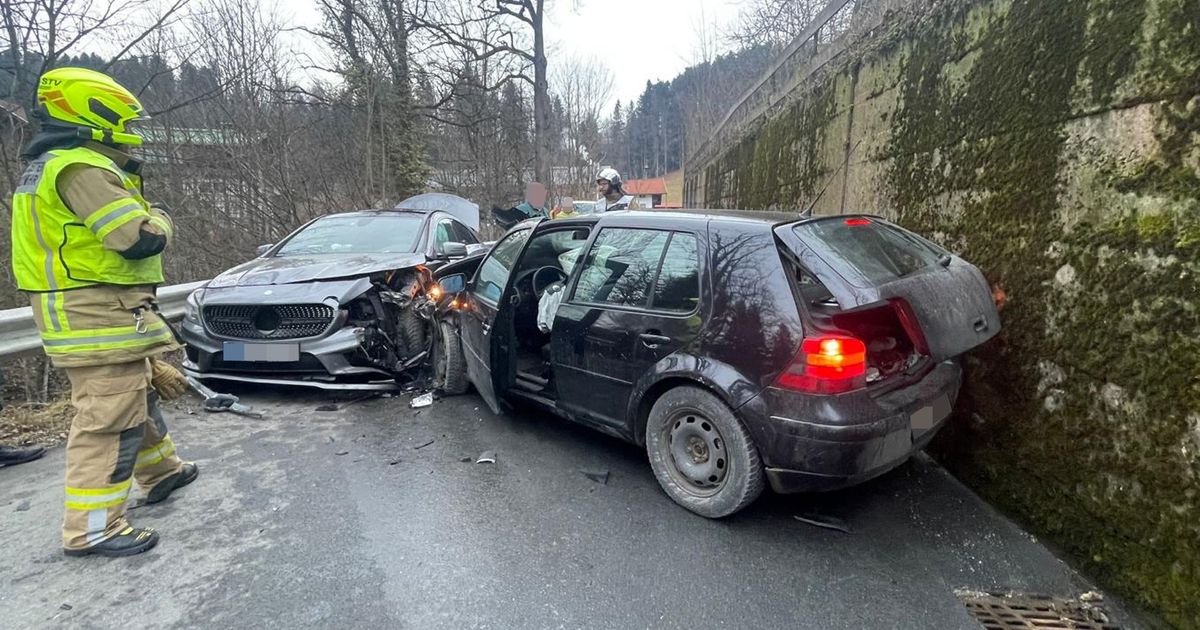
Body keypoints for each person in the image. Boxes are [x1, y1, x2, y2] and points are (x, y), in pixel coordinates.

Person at [11, 67, 195, 557]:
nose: (130, 130)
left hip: (104, 313)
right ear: (93, 113)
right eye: (124, 119)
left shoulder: (57, 165)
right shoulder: (81, 168)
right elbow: (137, 238)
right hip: (92, 315)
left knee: (138, 399)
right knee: (109, 419)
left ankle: (163, 474)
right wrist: (162, 218)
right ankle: (94, 529)